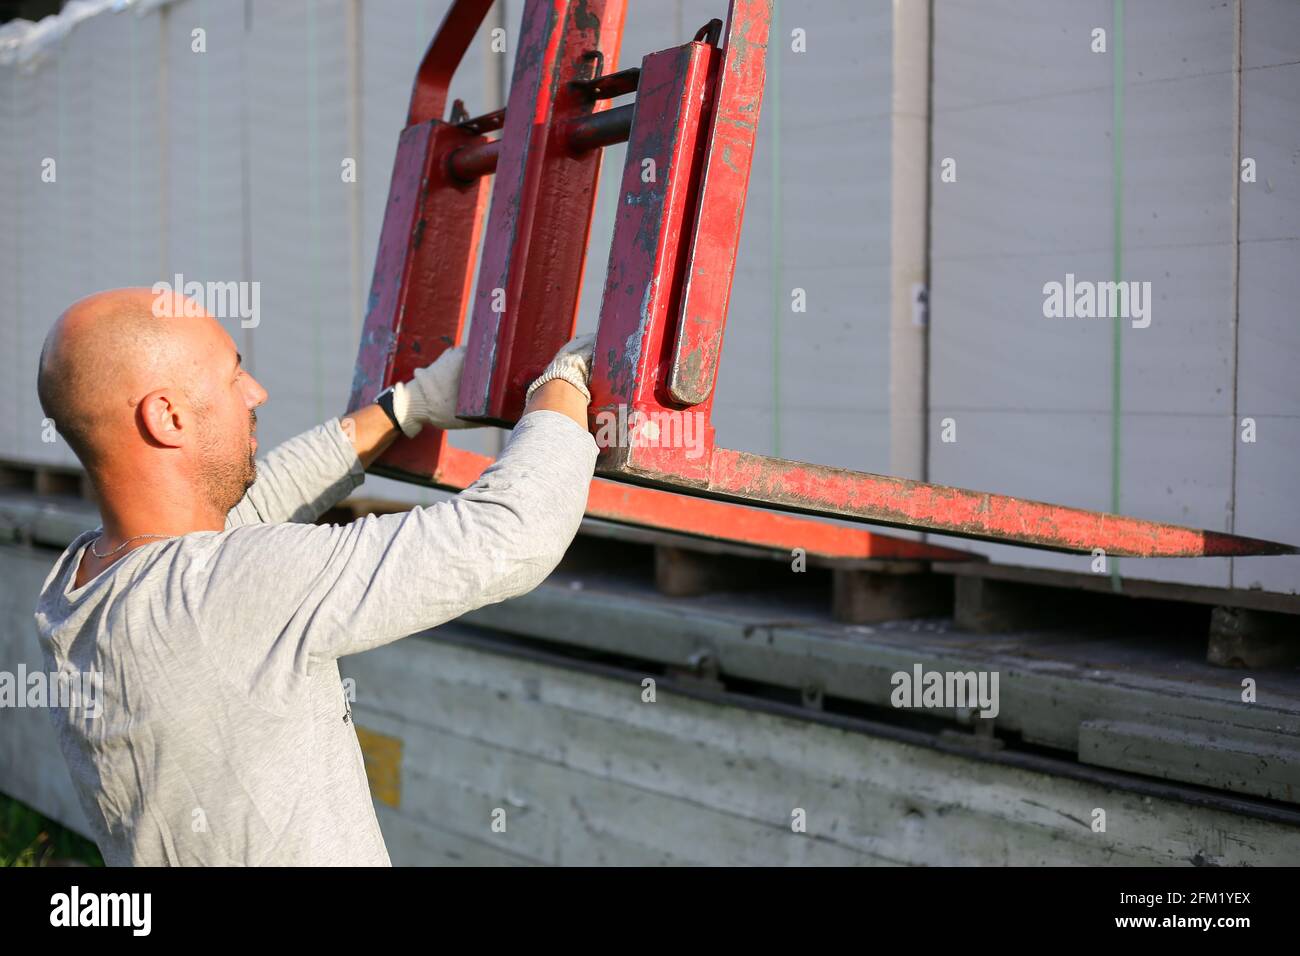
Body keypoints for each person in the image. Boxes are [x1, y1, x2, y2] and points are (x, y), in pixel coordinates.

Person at [33, 286, 597, 866]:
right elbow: (511, 534)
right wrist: (564, 386)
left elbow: (257, 502)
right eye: (233, 377)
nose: (256, 393)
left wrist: (406, 407)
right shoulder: (220, 590)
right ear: (168, 416)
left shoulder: (78, 584)